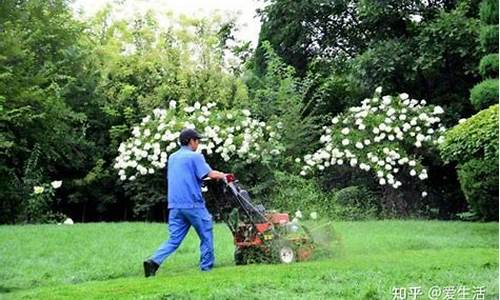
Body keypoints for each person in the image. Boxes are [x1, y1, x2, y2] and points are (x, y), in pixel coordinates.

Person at [143, 128, 226, 277]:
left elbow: (185, 177)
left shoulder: (173, 157)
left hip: (175, 205)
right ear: (190, 141)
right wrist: (224, 176)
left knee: (174, 239)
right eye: (197, 140)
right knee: (206, 233)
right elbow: (210, 174)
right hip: (193, 204)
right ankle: (206, 268)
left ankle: (153, 262)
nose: (198, 143)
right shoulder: (195, 157)